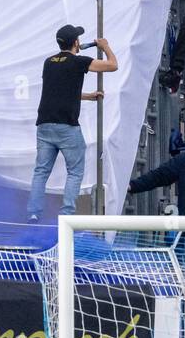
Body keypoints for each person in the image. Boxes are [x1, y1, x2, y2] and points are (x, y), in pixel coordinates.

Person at [26, 24, 117, 222]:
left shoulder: (48, 62)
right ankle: (66, 215)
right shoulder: (78, 62)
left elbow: (59, 90)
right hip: (67, 126)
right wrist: (104, 46)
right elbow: (112, 65)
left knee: (41, 171)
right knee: (75, 171)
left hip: (44, 125)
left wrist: (87, 96)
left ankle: (33, 212)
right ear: (76, 42)